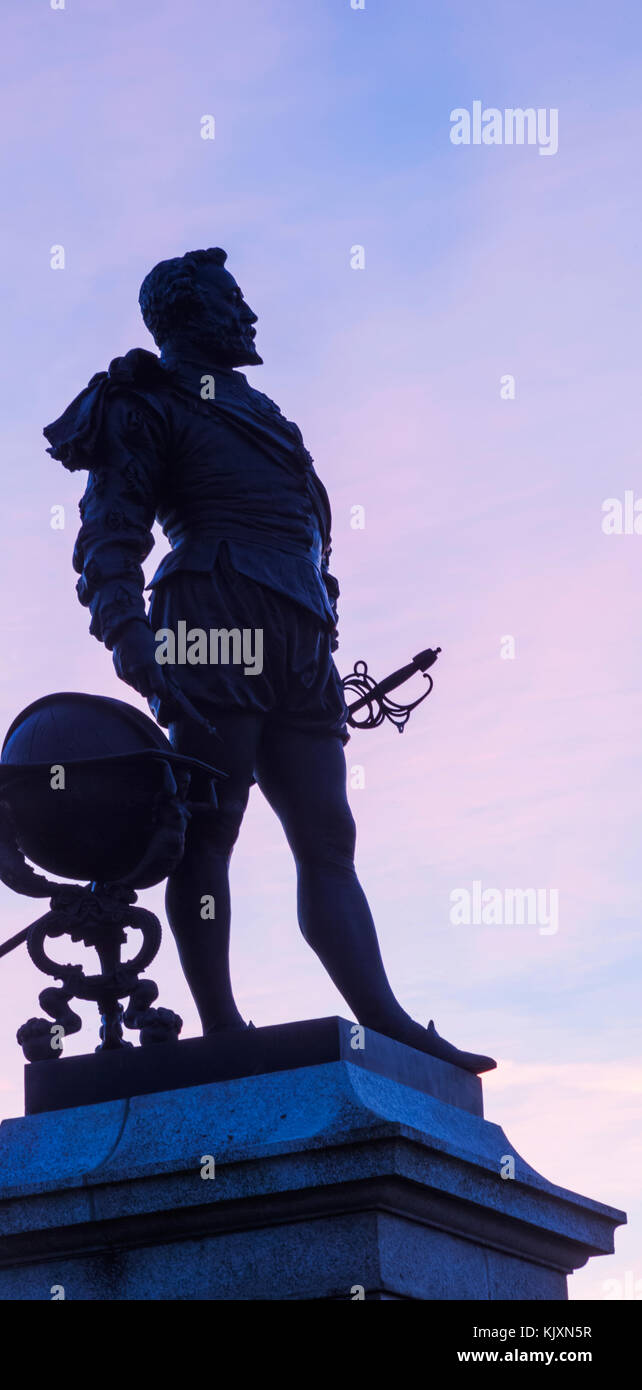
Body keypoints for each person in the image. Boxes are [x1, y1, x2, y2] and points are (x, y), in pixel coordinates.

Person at [44, 247, 495, 1073]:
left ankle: (383, 1015)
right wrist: (128, 631)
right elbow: (110, 532)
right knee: (211, 827)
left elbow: (309, 536)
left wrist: (318, 617)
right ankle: (221, 1026)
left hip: (297, 631)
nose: (248, 315)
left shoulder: (269, 416)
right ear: (189, 313)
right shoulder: (142, 399)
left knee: (329, 833)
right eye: (232, 300)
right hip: (210, 616)